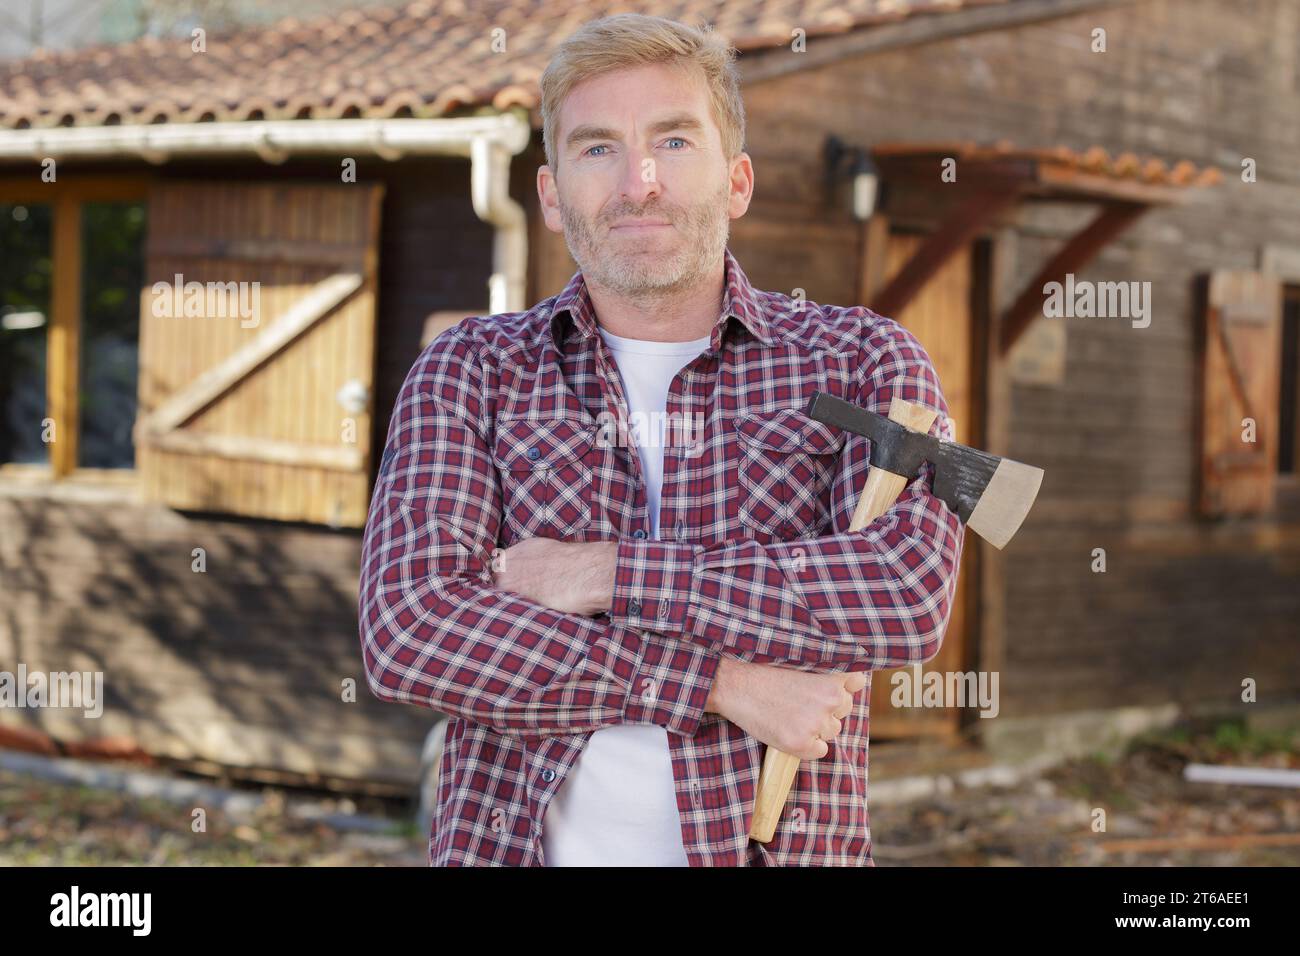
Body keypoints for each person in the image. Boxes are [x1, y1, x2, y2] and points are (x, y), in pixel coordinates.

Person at [358, 12, 964, 866]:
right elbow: (411, 631)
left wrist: (602, 571)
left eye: (674, 142)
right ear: (553, 196)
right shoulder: (472, 372)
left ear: (738, 181)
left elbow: (903, 595)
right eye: (598, 148)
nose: (638, 182)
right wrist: (724, 685)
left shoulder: (863, 363)